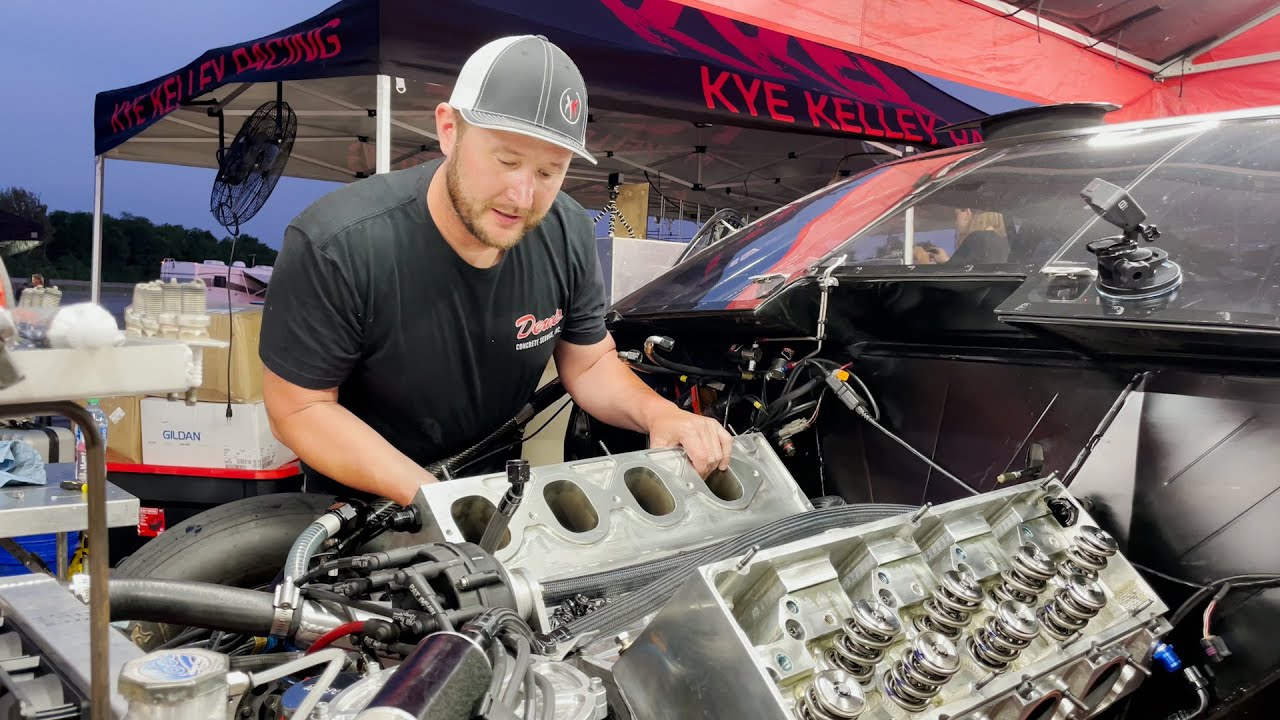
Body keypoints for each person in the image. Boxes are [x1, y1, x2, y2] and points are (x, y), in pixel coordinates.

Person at [258, 35, 734, 506]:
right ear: (449, 129)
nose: (523, 197)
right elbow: (300, 409)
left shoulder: (566, 230)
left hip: (496, 493)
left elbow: (588, 363)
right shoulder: (338, 244)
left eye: (550, 172)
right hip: (359, 503)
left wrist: (660, 414)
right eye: (506, 161)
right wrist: (437, 500)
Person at [915, 208, 1010, 265]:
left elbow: (957, 278)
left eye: (956, 214)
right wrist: (946, 262)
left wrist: (923, 260)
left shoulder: (978, 238)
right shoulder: (1005, 242)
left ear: (967, 213)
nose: (954, 222)